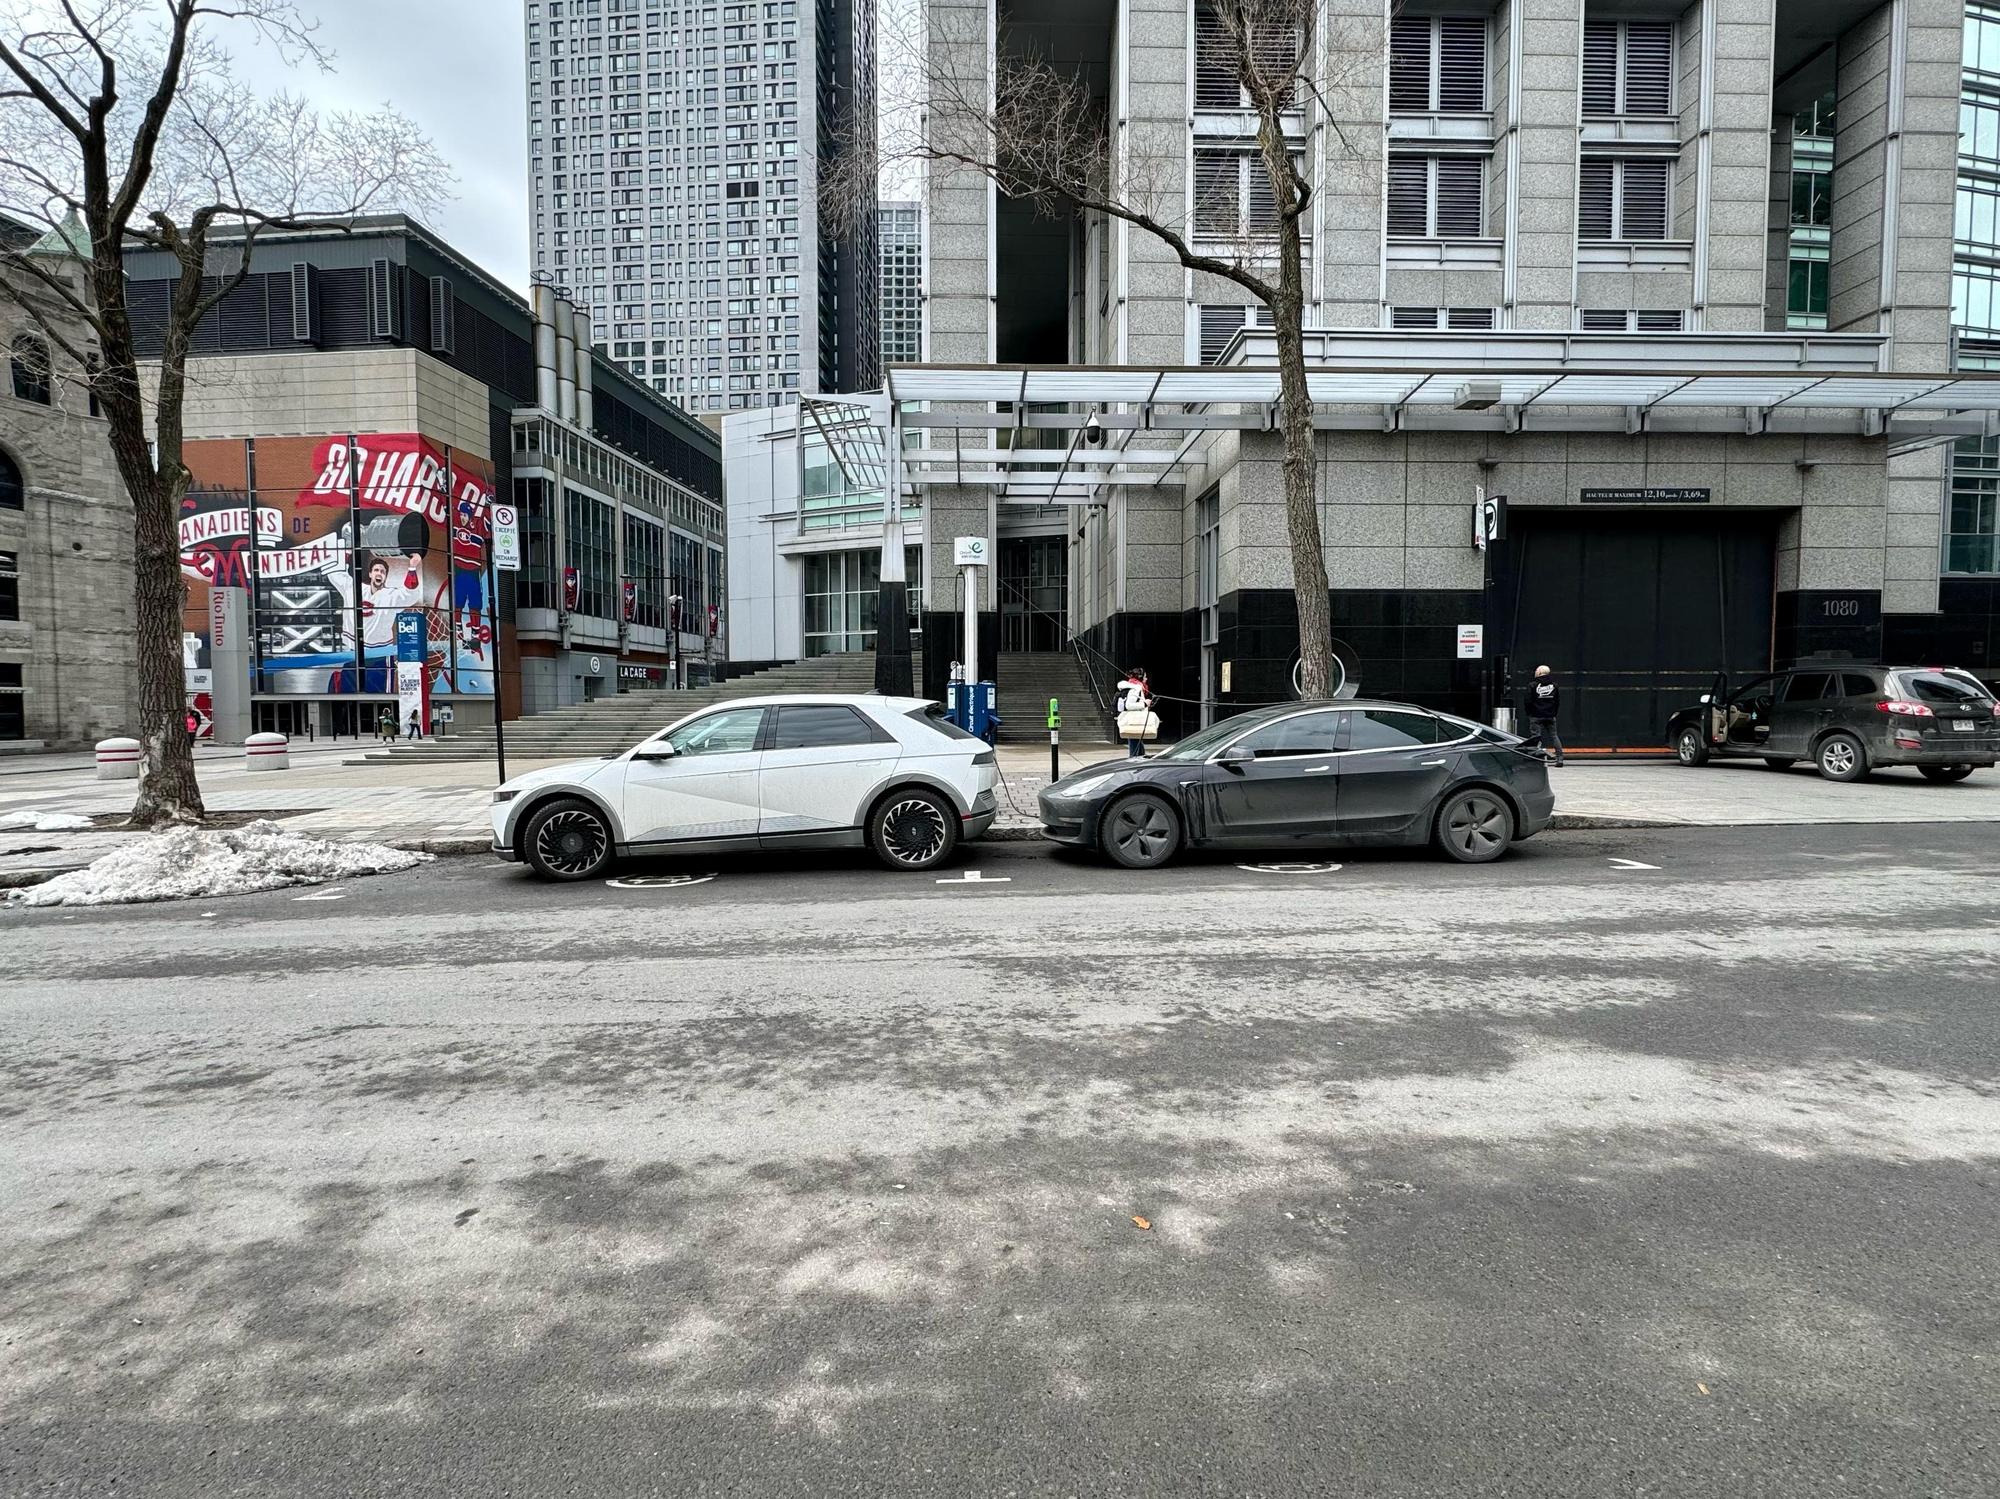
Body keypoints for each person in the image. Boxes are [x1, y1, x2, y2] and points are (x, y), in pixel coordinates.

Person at [1529, 664, 1563, 766]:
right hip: (1550, 715)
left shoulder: (1533, 685)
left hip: (1536, 715)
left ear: (1539, 673)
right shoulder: (1554, 685)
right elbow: (1557, 701)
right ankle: (1559, 758)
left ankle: (1535, 759)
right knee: (1554, 736)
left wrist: (1530, 713)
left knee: (1535, 737)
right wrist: (1554, 713)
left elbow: (1528, 701)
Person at [1117, 667, 1153, 759]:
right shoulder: (1135, 689)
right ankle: (1134, 762)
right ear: (1140, 677)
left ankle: (1138, 760)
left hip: (1134, 720)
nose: (1146, 679)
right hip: (1134, 720)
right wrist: (1144, 704)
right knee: (1135, 747)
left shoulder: (1135, 687)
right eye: (1145, 677)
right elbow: (1129, 705)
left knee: (1137, 744)